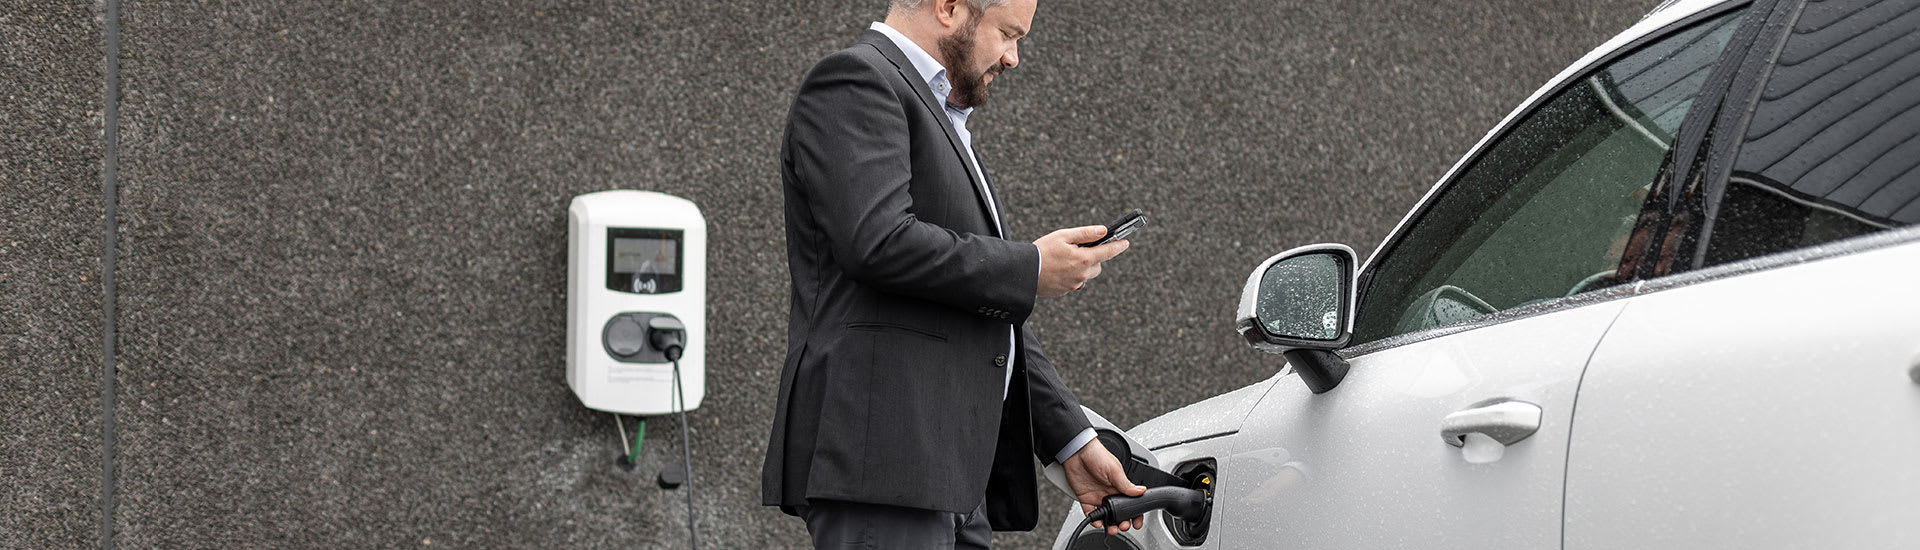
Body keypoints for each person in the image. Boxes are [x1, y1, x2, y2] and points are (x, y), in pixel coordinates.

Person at [761, 0, 1146, 547]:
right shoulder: (855, 80)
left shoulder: (937, 111)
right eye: (1008, 33)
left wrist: (1070, 441)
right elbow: (876, 241)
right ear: (948, 8)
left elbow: (983, 310)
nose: (1013, 57)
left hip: (946, 479)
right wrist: (1030, 265)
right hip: (886, 464)